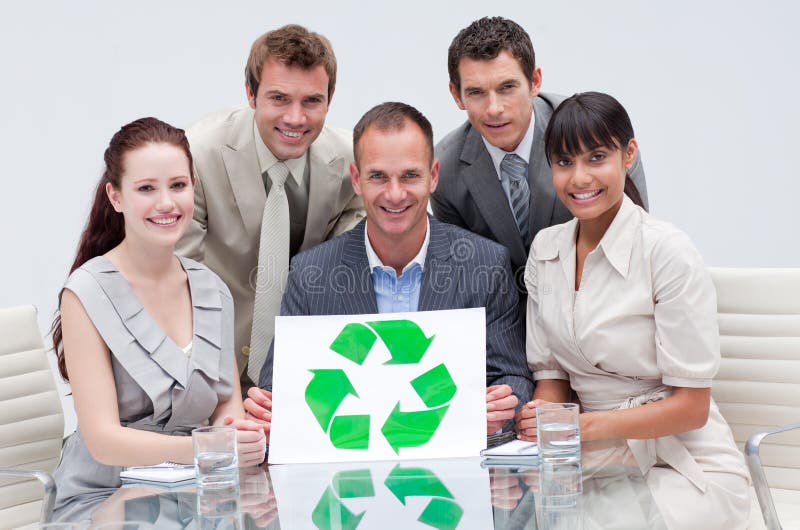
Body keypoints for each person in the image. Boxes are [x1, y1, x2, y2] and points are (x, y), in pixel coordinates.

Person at [515, 92, 749, 528]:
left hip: (685, 464)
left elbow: (692, 407)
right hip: (595, 459)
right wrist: (547, 419)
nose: (579, 177)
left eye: (597, 157)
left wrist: (581, 428)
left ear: (629, 154)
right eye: (564, 162)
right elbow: (551, 378)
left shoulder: (666, 252)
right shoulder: (545, 250)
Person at [244, 102, 533, 439]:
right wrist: (266, 412)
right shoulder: (311, 275)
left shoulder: (485, 265)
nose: (395, 194)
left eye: (410, 175)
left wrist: (498, 408)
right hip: (347, 479)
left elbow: (513, 378)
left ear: (433, 176)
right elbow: (279, 392)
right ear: (356, 179)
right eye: (378, 176)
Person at [50, 118, 266, 522]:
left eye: (178, 186)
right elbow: (103, 441)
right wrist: (208, 448)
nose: (166, 203)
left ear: (193, 189)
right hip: (104, 498)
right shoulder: (86, 292)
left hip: (194, 493)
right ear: (115, 197)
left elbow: (226, 409)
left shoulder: (213, 290)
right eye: (146, 188)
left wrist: (240, 438)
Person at [177, 24, 364, 391]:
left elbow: (348, 277)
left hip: (307, 375)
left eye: (312, 101)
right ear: (251, 93)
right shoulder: (196, 154)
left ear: (331, 96)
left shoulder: (352, 163)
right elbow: (175, 281)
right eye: (279, 98)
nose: (296, 118)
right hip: (204, 367)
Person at [432, 16, 648, 289]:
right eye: (476, 93)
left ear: (535, 81)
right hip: (501, 317)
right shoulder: (445, 171)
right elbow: (467, 278)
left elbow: (634, 247)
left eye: (507, 87)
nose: (494, 108)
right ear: (456, 95)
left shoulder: (597, 136)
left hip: (600, 302)